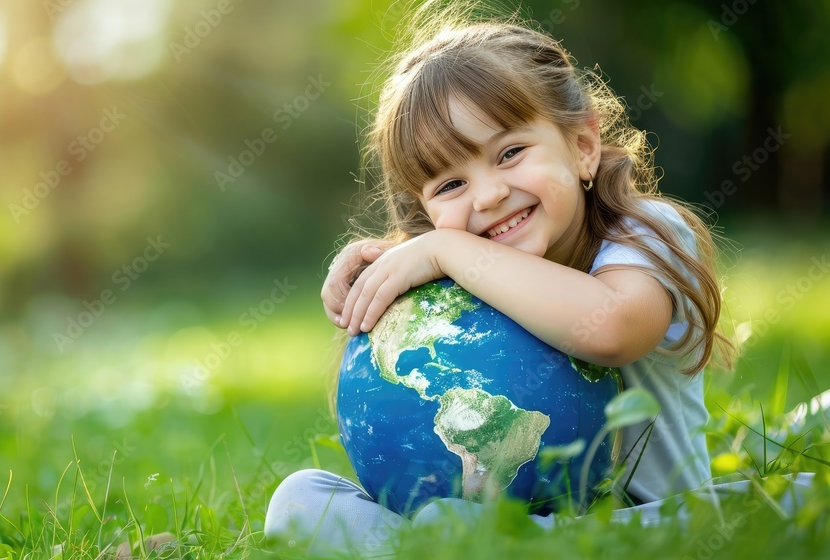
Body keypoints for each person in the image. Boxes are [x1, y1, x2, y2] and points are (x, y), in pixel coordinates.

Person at [263, 4, 807, 558]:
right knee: (300, 501)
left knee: (800, 499)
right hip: (479, 518)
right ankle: (466, 543)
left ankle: (463, 545)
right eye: (450, 185)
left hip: (648, 524)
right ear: (426, 213)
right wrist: (377, 279)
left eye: (511, 153)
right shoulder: (453, 271)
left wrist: (446, 247)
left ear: (582, 147)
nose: (489, 194)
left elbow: (613, 327)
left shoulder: (647, 234)